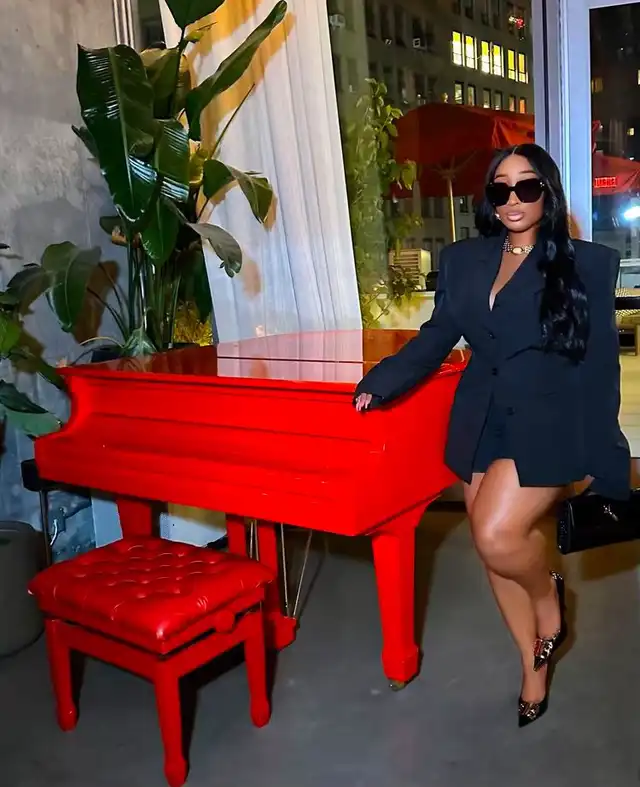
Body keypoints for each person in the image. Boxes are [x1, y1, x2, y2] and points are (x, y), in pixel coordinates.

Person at [353, 144, 630, 727]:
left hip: (549, 421)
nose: (512, 199)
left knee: (497, 535)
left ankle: (550, 597)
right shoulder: (464, 261)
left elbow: (600, 369)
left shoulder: (586, 264)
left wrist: (610, 464)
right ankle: (533, 668)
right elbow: (438, 335)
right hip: (483, 416)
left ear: (547, 192)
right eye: (501, 188)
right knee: (491, 555)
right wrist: (383, 380)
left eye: (527, 186)